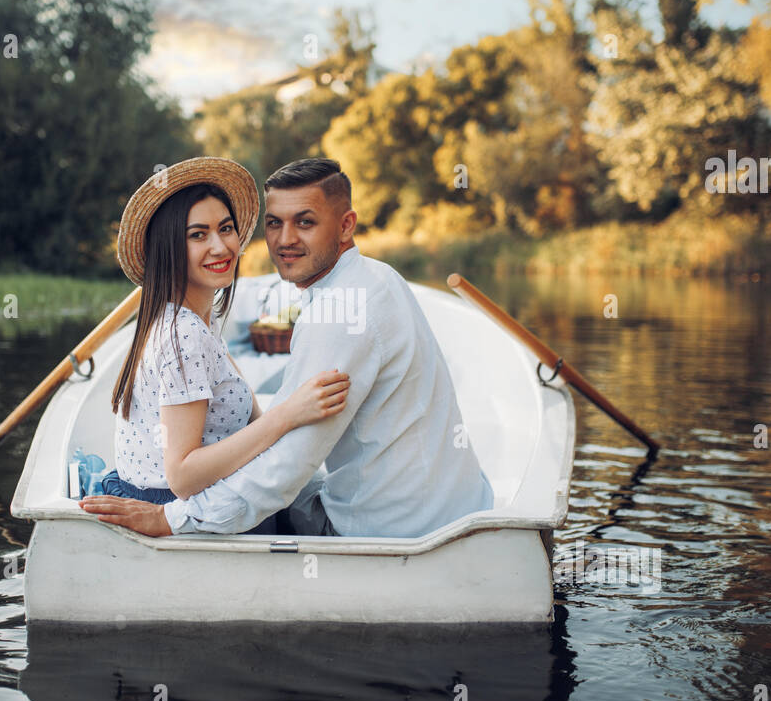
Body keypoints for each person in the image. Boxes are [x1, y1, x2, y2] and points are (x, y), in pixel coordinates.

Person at [82, 157, 495, 538]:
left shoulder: (337, 312)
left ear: (346, 225)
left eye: (305, 222)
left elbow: (287, 464)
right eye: (275, 223)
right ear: (171, 247)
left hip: (390, 530)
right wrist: (283, 415)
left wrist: (171, 520)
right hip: (452, 504)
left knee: (282, 493)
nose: (284, 240)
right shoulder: (379, 277)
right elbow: (252, 451)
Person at [97, 157, 351, 531]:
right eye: (198, 235)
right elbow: (182, 475)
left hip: (186, 494)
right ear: (170, 248)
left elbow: (254, 423)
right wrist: (289, 414)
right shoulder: (183, 333)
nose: (221, 246)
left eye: (226, 228)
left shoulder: (200, 320)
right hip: (178, 508)